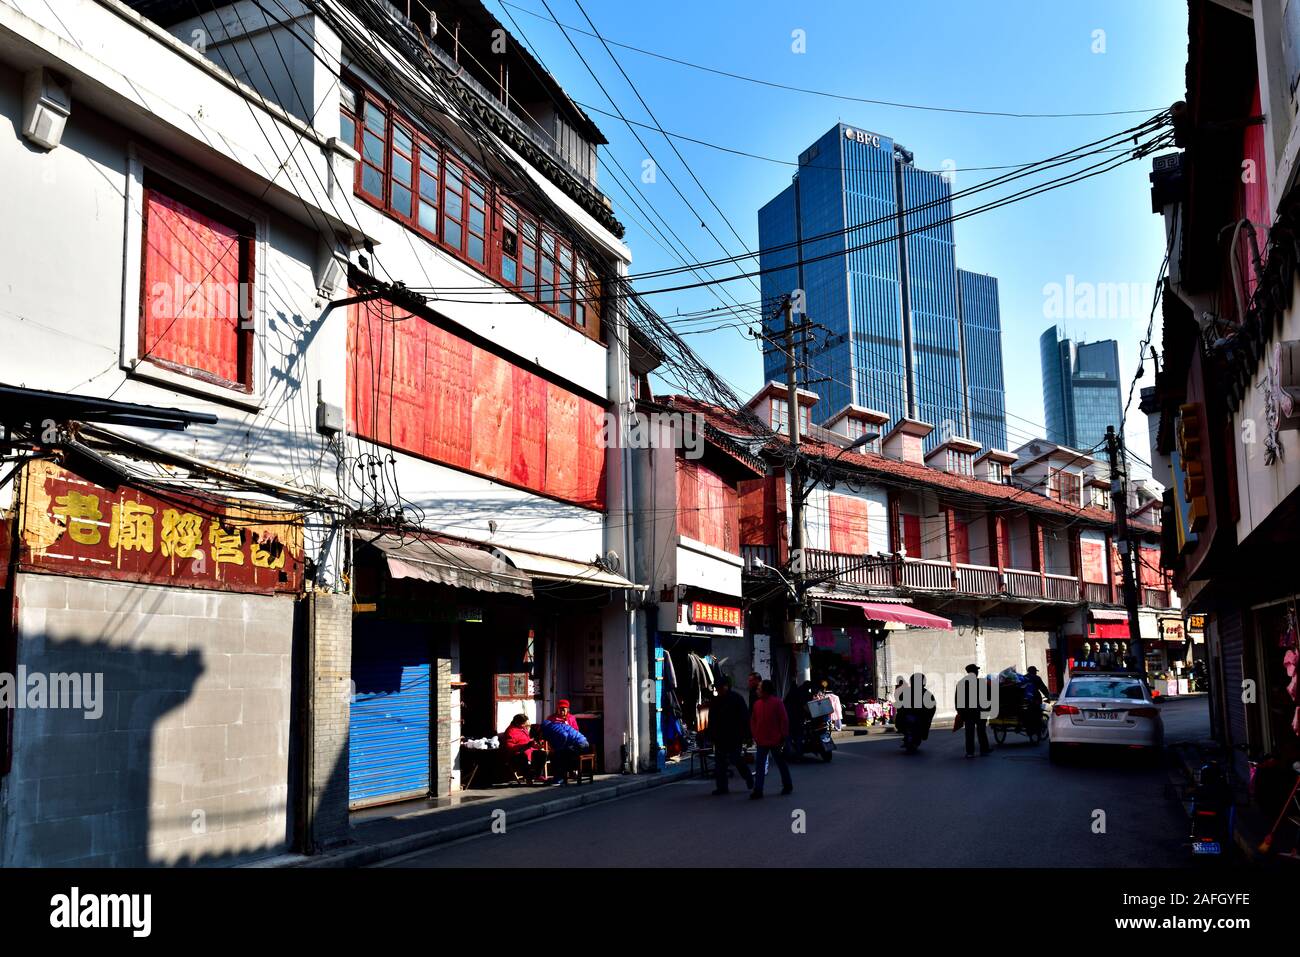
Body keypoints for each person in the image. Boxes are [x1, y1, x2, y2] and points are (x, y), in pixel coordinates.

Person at [708, 676, 754, 795]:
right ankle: (722, 787)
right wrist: (711, 735)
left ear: (726, 687)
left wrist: (747, 735)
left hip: (735, 736)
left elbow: (745, 717)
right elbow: (712, 720)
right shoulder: (716, 701)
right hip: (720, 737)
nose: (717, 690)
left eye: (719, 688)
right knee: (720, 763)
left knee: (736, 759)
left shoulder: (736, 699)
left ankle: (748, 777)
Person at [750, 679, 793, 799]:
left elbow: (784, 721)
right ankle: (758, 789)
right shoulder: (757, 704)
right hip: (761, 740)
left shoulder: (777, 703)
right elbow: (753, 721)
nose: (757, 690)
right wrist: (755, 735)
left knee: (780, 764)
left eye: (759, 688)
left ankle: (787, 785)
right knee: (760, 765)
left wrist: (782, 736)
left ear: (765, 690)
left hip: (776, 741)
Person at [539, 713, 590, 786]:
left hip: (579, 744)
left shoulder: (549, 729)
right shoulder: (554, 726)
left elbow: (564, 735)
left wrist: (558, 748)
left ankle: (558, 779)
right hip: (582, 743)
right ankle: (560, 777)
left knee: (558, 756)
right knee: (558, 754)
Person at [955, 663, 992, 758]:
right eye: (977, 670)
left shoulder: (961, 683)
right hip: (981, 711)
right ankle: (984, 750)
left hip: (968, 712)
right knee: (981, 731)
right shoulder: (982, 682)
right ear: (975, 672)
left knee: (969, 733)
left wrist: (960, 712)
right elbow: (989, 697)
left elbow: (958, 700)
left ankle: (970, 752)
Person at [501, 714, 546, 783]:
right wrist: (523, 746)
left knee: (541, 753)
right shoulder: (510, 731)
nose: (525, 725)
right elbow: (509, 746)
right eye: (523, 724)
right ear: (517, 722)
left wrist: (534, 744)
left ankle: (538, 775)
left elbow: (527, 741)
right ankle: (529, 777)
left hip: (528, 750)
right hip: (516, 754)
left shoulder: (522, 729)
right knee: (522, 756)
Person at [1023, 666, 1052, 735]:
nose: (1036, 672)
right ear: (1034, 671)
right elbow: (1043, 688)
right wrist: (1048, 696)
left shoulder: (1023, 678)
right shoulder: (1037, 678)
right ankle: (1037, 727)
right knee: (1038, 712)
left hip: (1024, 699)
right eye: (1035, 671)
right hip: (1035, 699)